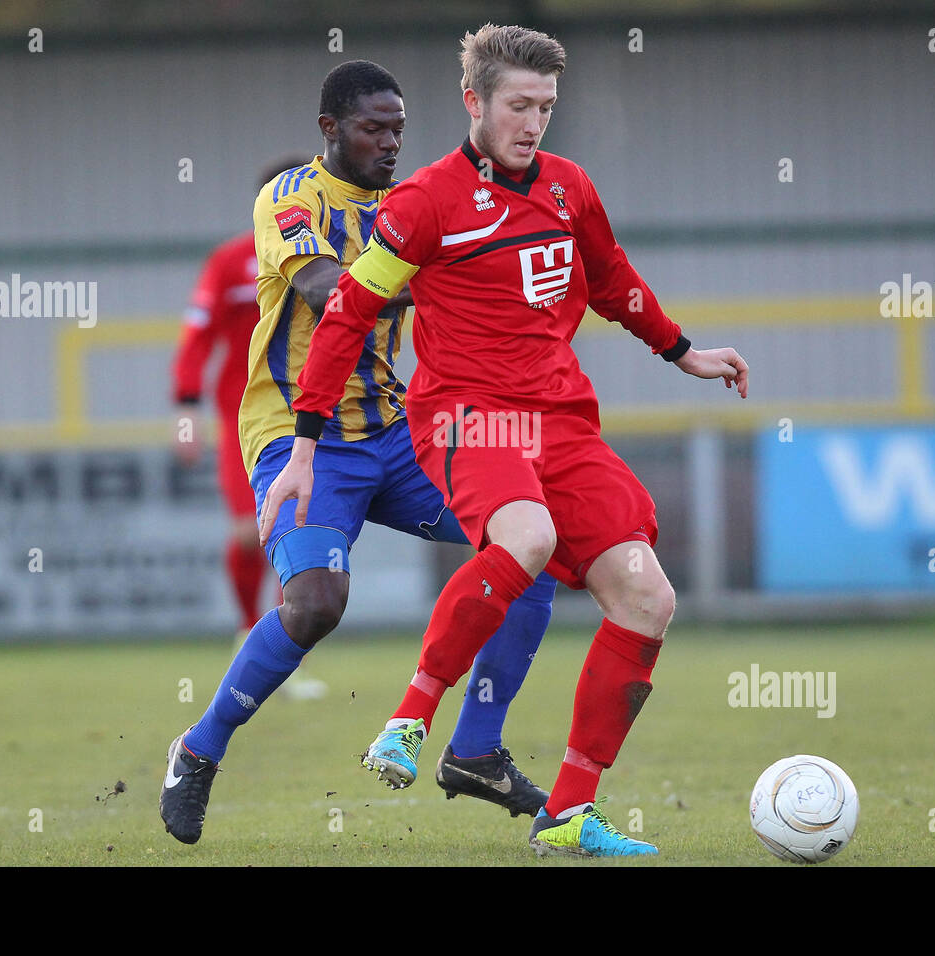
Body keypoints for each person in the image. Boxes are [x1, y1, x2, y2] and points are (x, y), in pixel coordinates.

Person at [269, 24, 749, 858]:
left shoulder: (569, 189)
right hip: (464, 411)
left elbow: (611, 279)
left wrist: (682, 350)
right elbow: (345, 313)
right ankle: (412, 719)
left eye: (547, 107)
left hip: (560, 419)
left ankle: (568, 816)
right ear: (475, 104)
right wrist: (306, 442)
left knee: (648, 597)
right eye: (519, 106)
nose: (534, 123)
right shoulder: (423, 203)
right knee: (528, 535)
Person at [160, 60, 557, 845]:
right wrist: (452, 282)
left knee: (535, 543)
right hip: (296, 439)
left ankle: (476, 746)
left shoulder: (409, 203)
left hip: (395, 432)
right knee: (315, 606)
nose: (390, 143)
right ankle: (198, 750)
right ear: (330, 129)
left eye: (400, 129)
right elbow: (324, 292)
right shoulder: (289, 199)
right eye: (374, 128)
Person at [170, 155, 328, 700]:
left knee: (298, 531)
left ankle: (286, 653)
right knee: (248, 533)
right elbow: (196, 338)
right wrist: (185, 408)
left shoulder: (329, 260)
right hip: (246, 418)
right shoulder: (229, 262)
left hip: (314, 412)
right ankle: (247, 631)